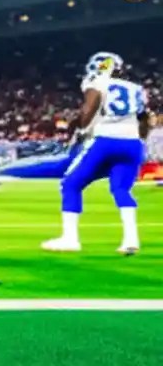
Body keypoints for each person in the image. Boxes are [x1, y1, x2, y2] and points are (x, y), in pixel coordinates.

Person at [43, 52, 150, 255]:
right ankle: (131, 239)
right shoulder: (137, 89)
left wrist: (82, 128)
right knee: (121, 189)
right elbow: (145, 119)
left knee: (70, 183)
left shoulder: (96, 81)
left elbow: (90, 107)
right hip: (133, 143)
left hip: (105, 141)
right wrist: (140, 139)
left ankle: (70, 239)